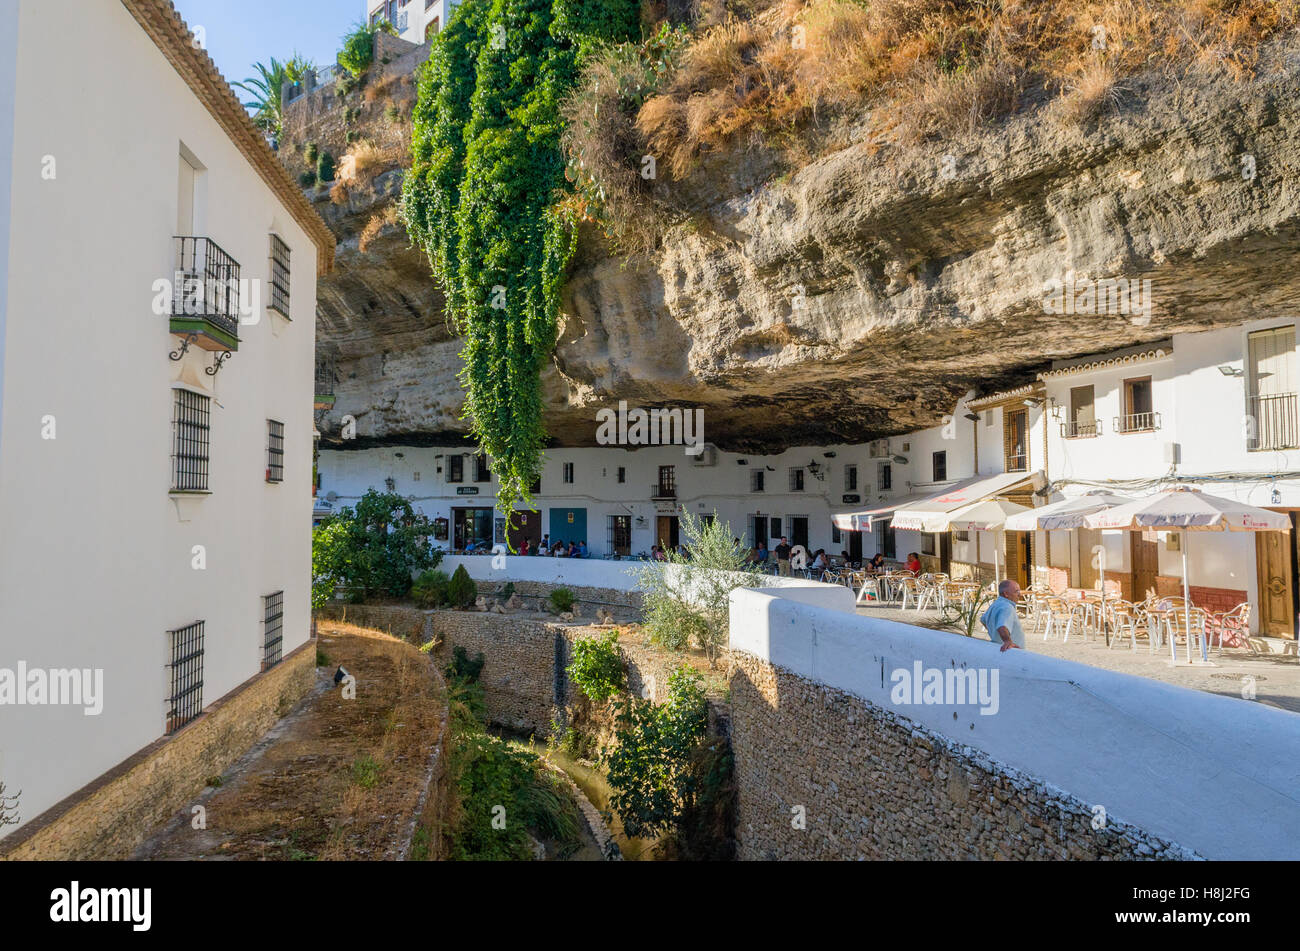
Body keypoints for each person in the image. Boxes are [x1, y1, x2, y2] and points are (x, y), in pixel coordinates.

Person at [981, 580, 1026, 652]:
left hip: (998, 647)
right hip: (1011, 651)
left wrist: (995, 635)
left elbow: (983, 620)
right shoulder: (1007, 607)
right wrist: (1008, 641)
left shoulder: (997, 603)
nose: (1019, 594)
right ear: (1006, 594)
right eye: (1016, 591)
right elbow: (1002, 626)